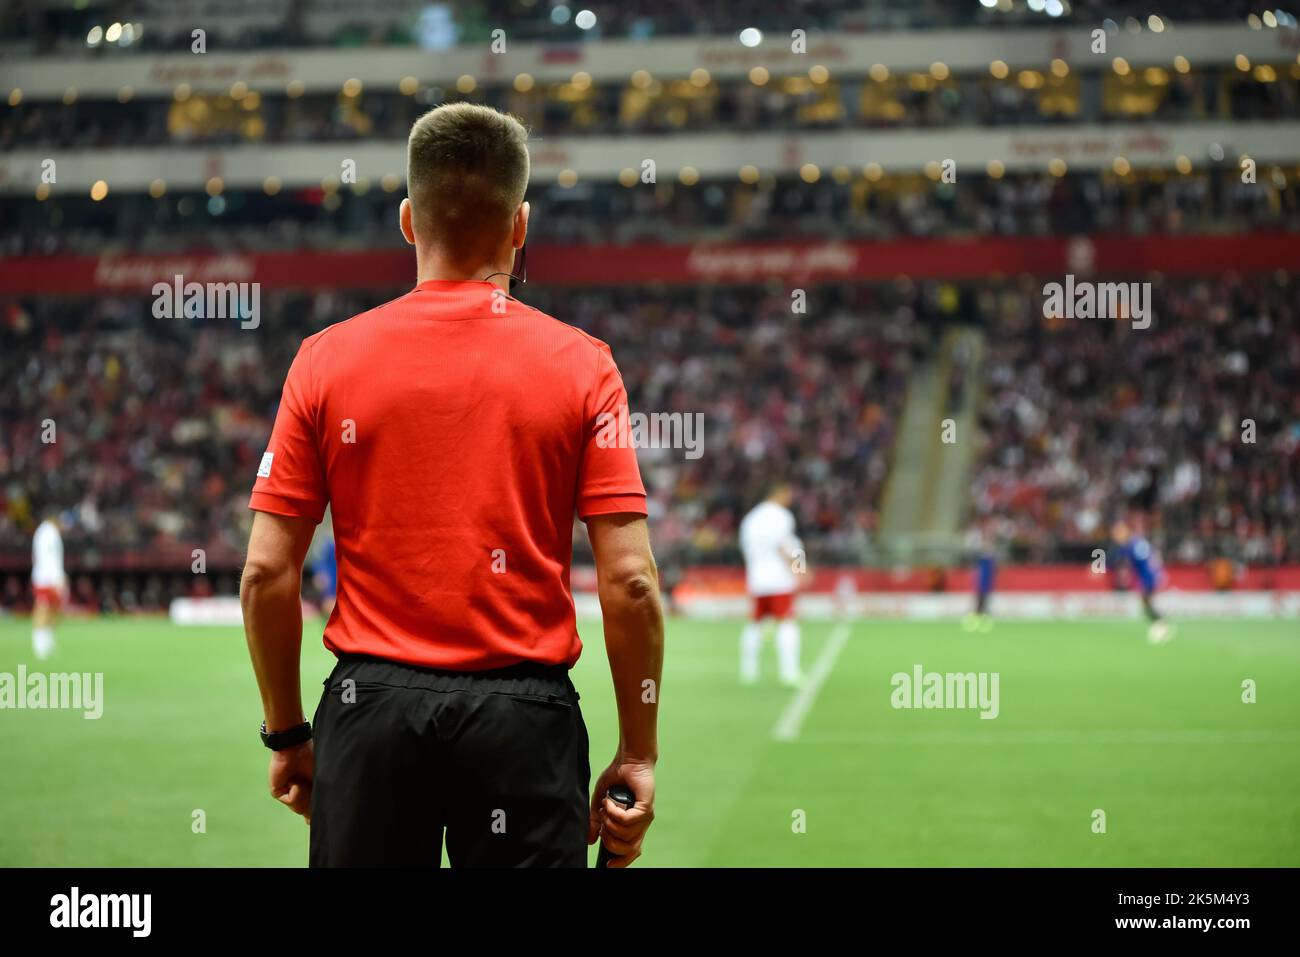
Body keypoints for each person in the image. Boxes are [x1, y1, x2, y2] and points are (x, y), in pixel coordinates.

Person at [240, 102, 663, 867]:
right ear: (520, 225)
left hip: (367, 715)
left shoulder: (324, 360)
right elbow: (631, 581)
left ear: (407, 220)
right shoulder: (584, 365)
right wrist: (638, 754)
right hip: (525, 719)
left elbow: (266, 572)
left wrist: (288, 731)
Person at [738, 483, 804, 687]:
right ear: (779, 493)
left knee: (755, 623)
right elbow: (784, 546)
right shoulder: (781, 516)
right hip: (779, 579)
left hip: (757, 579)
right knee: (787, 623)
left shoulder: (750, 519)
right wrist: (799, 570)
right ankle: (789, 672)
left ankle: (749, 670)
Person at [1111, 519, 1172, 644]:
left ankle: (1162, 624)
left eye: (1118, 533)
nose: (1116, 536)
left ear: (1125, 531)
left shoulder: (1136, 544)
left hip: (1149, 577)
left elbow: (1148, 562)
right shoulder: (1128, 545)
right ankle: (1160, 623)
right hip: (1145, 577)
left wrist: (1152, 578)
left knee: (1146, 603)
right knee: (1146, 603)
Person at [31, 507, 67, 661]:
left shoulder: (50, 532)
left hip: (51, 576)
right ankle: (39, 642)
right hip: (45, 577)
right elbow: (47, 558)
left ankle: (48, 638)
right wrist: (57, 577)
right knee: (43, 607)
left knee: (53, 608)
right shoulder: (47, 533)